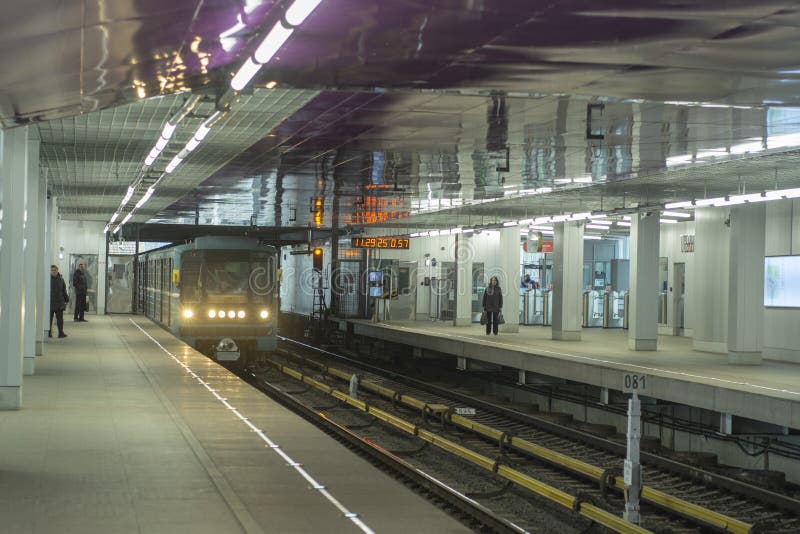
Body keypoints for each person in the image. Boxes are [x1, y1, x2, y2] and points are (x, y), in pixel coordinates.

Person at [50, 265, 69, 338]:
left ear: (57, 271)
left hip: (59, 303)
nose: (53, 271)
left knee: (60, 320)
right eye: (52, 270)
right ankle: (48, 332)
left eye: (55, 270)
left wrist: (66, 299)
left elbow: (64, 291)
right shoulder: (48, 280)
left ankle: (60, 333)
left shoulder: (61, 279)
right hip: (50, 303)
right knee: (49, 320)